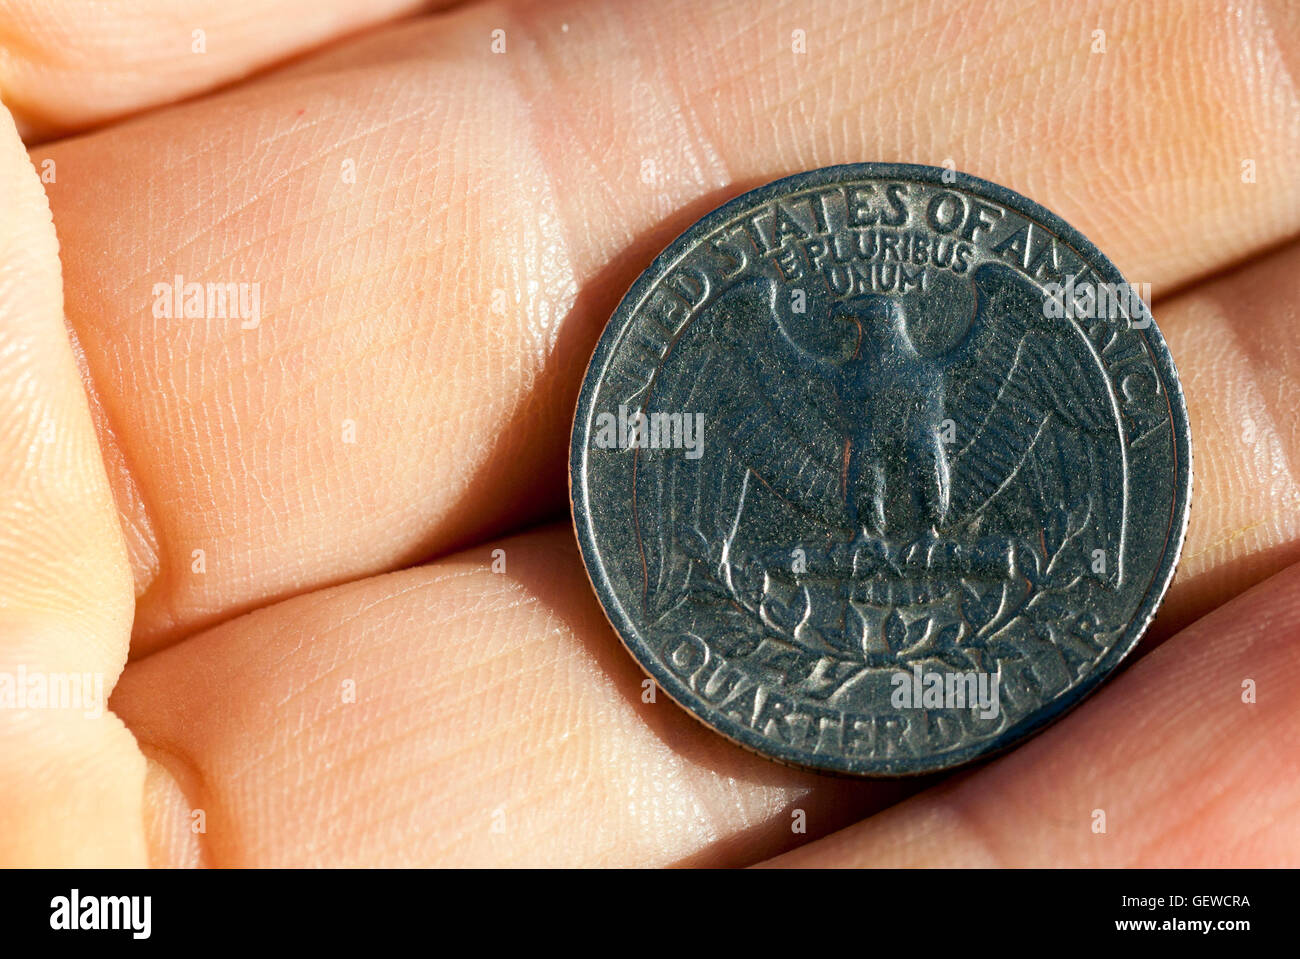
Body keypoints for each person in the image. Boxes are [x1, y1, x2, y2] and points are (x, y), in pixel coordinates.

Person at [0, 0, 1296, 867]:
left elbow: (956, 362)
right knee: (876, 493)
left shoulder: (920, 356)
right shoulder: (835, 364)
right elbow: (789, 357)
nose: (888, 318)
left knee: (926, 488)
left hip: (925, 484)